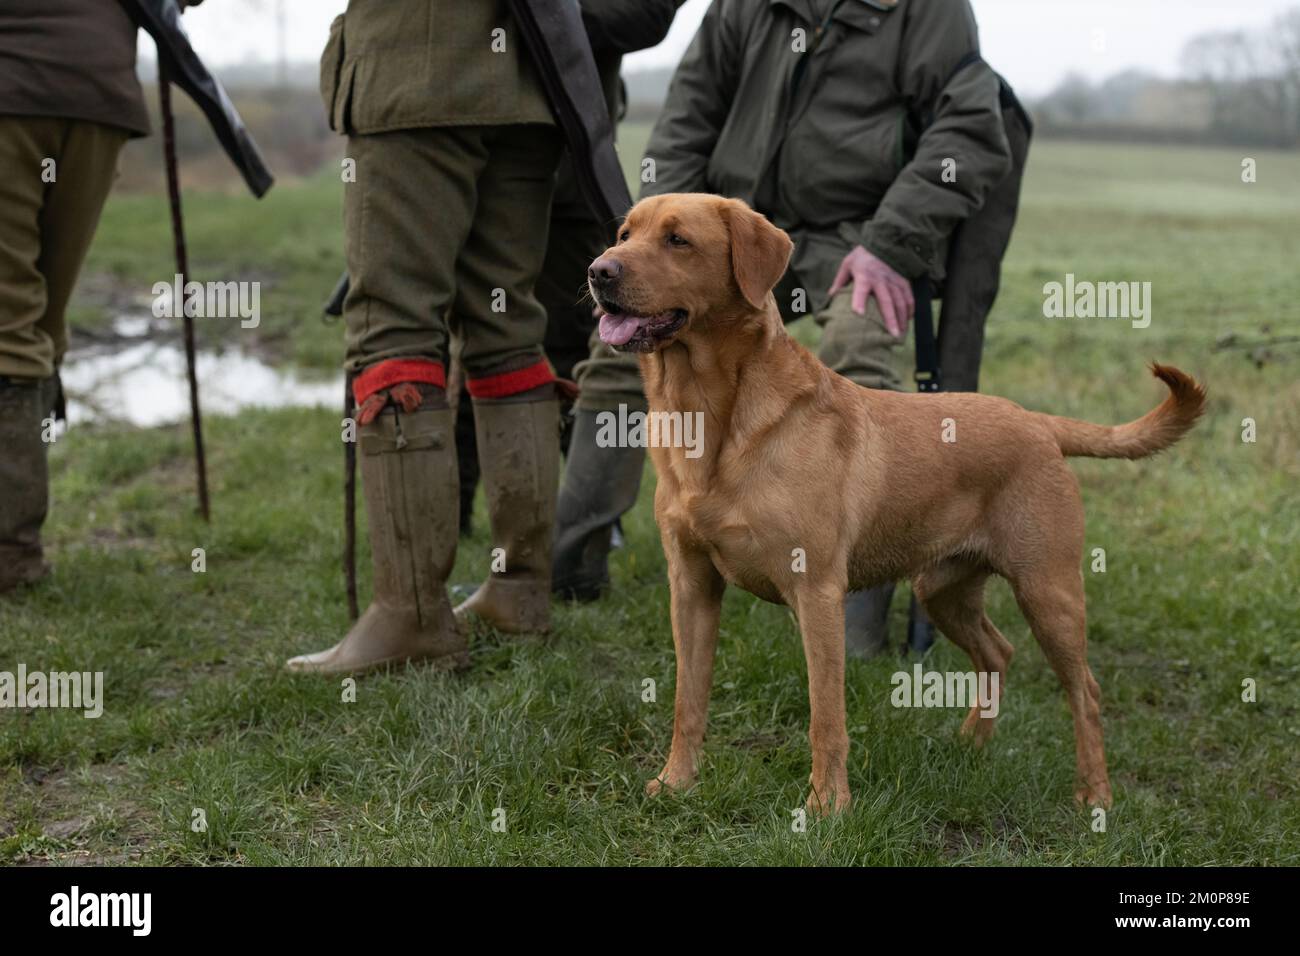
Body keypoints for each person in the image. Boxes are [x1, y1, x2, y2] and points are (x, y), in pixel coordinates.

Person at [559, 0, 1015, 655]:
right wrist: (674, 239)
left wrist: (890, 244)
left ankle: (847, 615)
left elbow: (969, 129)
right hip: (726, 237)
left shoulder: (929, 10)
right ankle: (570, 576)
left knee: (856, 348)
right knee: (619, 354)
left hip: (855, 239)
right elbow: (689, 114)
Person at [288, 0, 574, 674]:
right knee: (508, 331)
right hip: (526, 90)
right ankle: (520, 589)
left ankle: (412, 617)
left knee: (394, 330)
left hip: (415, 71)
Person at [453, 0, 684, 564]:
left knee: (586, 330)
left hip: (573, 154)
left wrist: (543, 12)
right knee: (468, 331)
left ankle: (583, 521)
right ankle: (451, 507)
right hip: (470, 143)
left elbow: (648, 15)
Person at [0, 0, 201, 594]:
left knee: (11, 321)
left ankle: (11, 555)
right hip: (95, 92)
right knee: (41, 318)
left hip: (10, 87)